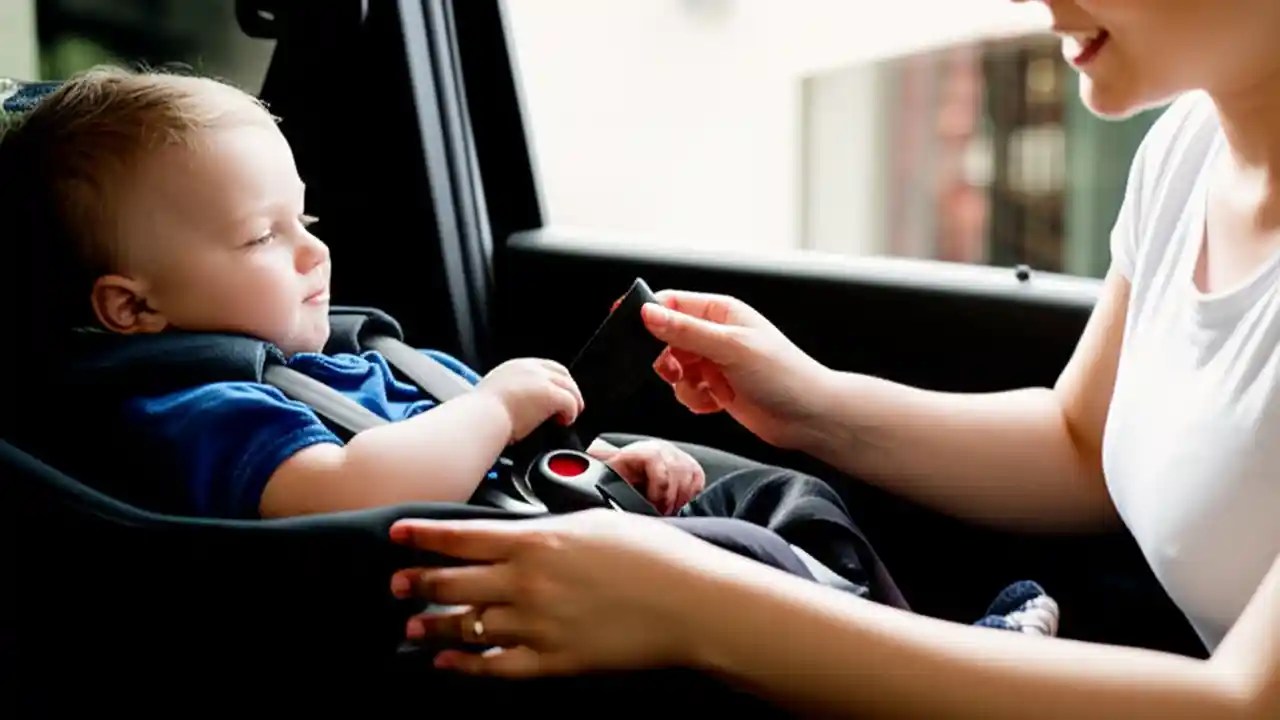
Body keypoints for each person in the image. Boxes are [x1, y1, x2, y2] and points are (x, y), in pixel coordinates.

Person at [386, 0, 1280, 717]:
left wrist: (693, 603)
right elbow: (1081, 444)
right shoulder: (1189, 150)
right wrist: (811, 404)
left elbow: (1245, 703)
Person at [0, 66, 1058, 633]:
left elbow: (510, 460)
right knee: (742, 564)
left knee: (783, 498)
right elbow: (346, 492)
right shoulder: (192, 408)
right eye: (260, 238)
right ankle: (950, 669)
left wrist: (614, 464)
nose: (313, 251)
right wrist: (494, 405)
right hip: (492, 599)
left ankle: (924, 637)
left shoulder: (352, 357)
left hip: (550, 524)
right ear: (131, 307)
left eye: (305, 218)